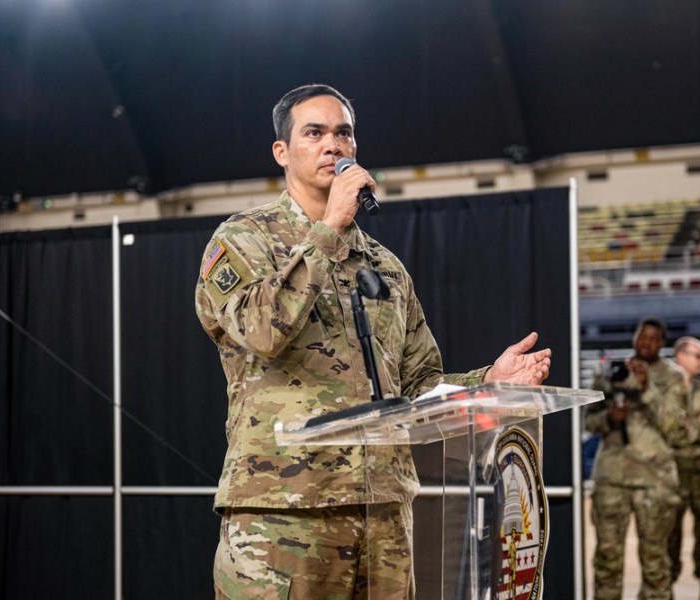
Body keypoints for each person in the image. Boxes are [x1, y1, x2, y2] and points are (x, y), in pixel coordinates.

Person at [194, 83, 552, 600]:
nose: (332, 145)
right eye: (314, 133)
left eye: (344, 133)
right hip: (284, 514)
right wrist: (330, 230)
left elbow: (415, 387)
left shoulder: (385, 268)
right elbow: (262, 331)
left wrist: (486, 381)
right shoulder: (242, 240)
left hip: (384, 514)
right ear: (282, 152)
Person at [586, 316, 689, 600]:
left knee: (655, 560)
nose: (646, 342)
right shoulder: (612, 372)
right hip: (612, 478)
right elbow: (589, 423)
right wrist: (609, 417)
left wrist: (646, 389)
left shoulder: (674, 377)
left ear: (663, 343)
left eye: (654, 338)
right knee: (607, 559)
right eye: (642, 336)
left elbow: (674, 427)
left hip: (654, 481)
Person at [668, 336, 700, 600]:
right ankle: (667, 586)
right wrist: (697, 425)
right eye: (698, 356)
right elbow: (667, 432)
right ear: (680, 357)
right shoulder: (665, 390)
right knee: (669, 535)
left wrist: (691, 427)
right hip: (672, 473)